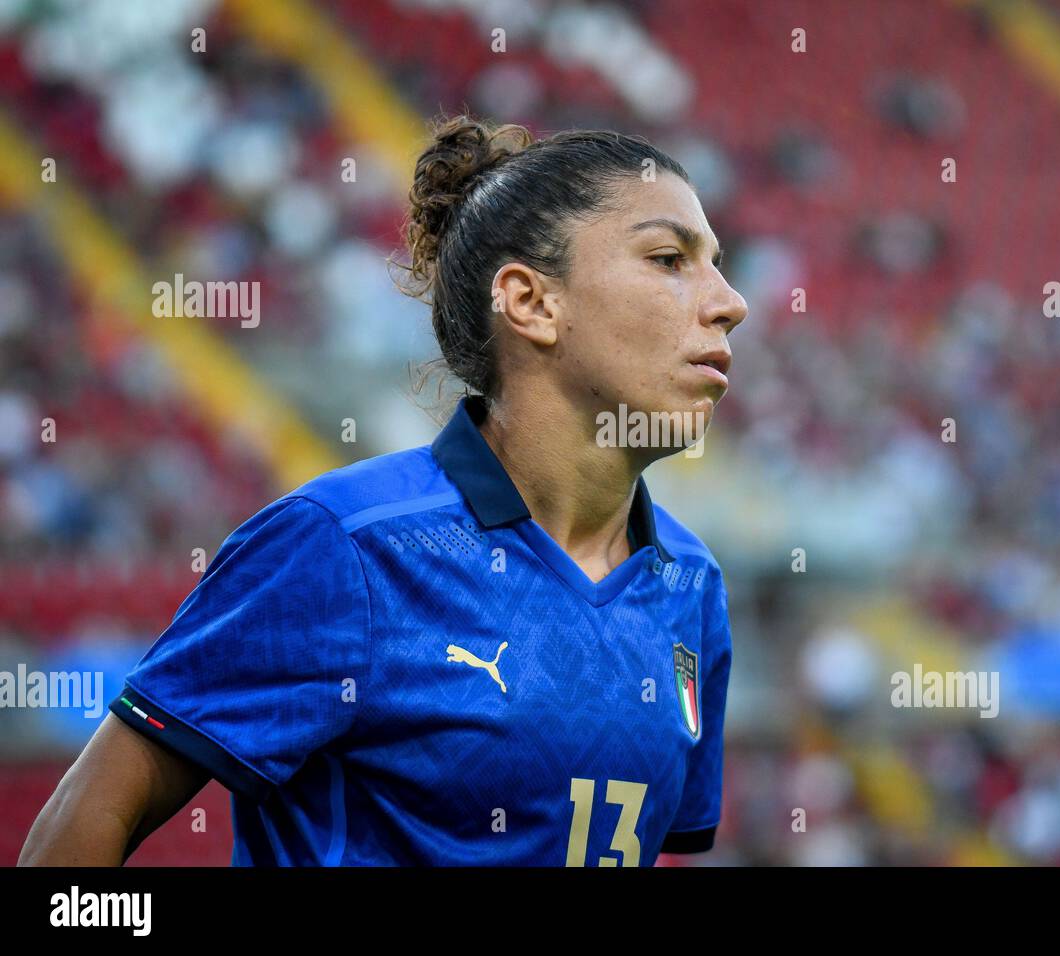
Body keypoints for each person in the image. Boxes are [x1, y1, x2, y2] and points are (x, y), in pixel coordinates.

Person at [20, 113, 748, 866]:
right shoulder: (346, 547)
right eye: (669, 259)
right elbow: (77, 835)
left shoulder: (690, 586)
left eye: (717, 263)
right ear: (531, 302)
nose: (731, 301)